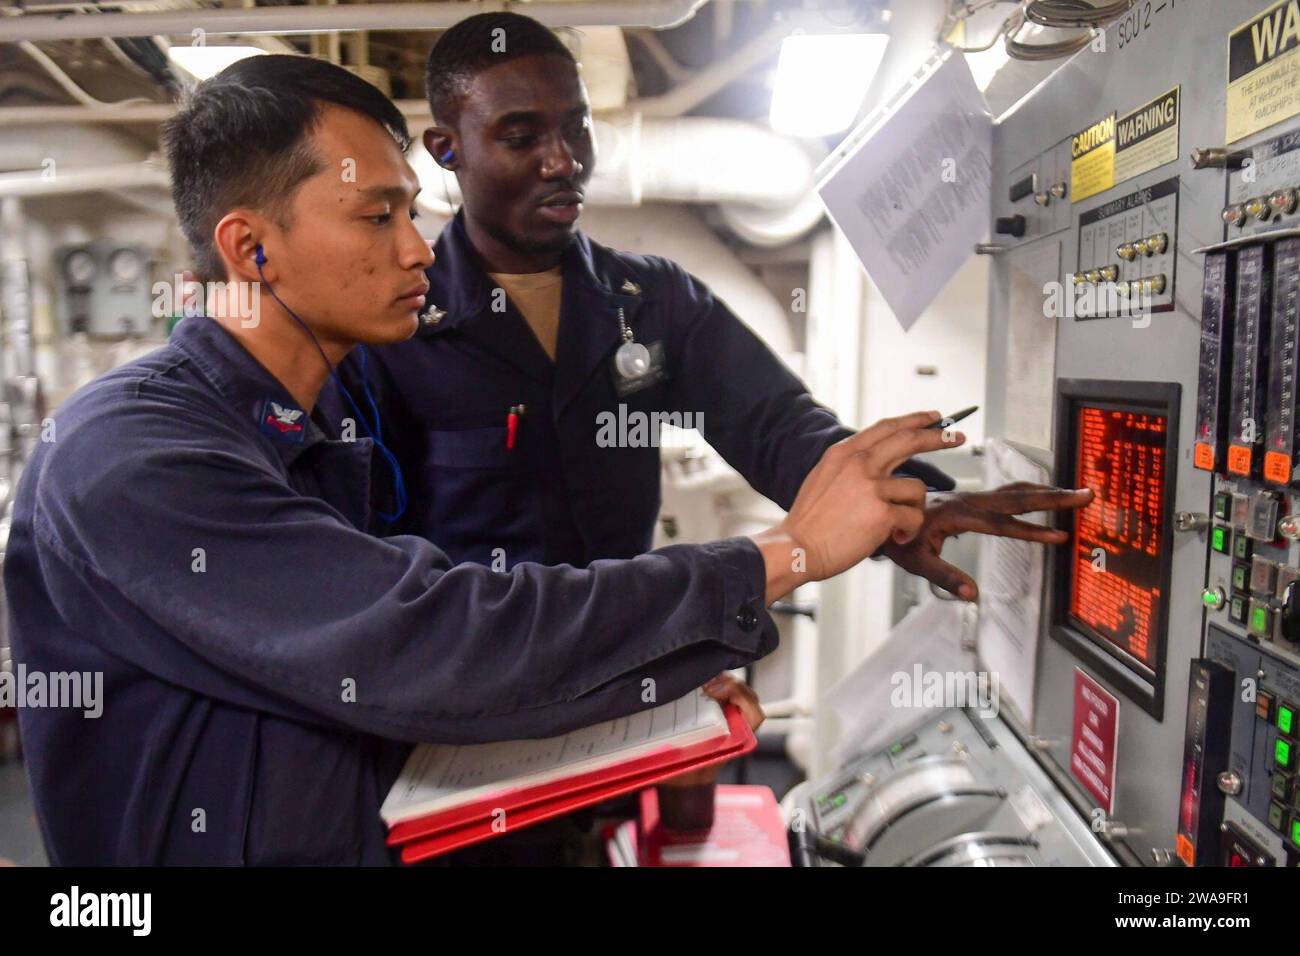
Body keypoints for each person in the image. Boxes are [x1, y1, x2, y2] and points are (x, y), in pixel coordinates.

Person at [4, 54, 964, 865]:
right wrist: (783, 554)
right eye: (378, 218)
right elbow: (428, 638)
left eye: (411, 215)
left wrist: (642, 688)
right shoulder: (132, 457)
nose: (418, 251)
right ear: (251, 249)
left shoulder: (316, 435)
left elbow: (376, 676)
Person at [336, 12, 1090, 607]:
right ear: (445, 148)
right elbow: (362, 544)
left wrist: (910, 505)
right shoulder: (394, 323)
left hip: (618, 664)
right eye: (521, 135)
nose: (562, 159)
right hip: (470, 683)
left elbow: (776, 428)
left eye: (576, 128)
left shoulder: (652, 300)